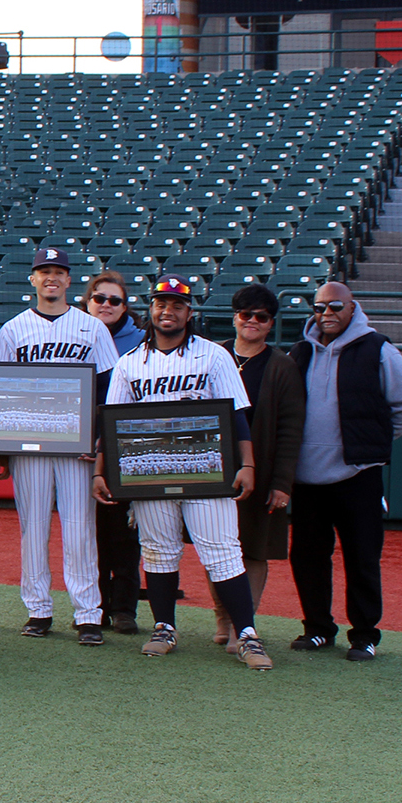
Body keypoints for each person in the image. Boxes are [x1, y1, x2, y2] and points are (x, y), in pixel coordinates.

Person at [94, 275, 272, 670]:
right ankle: (164, 627)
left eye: (176, 305)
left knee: (223, 551)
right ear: (151, 310)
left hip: (207, 469)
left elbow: (238, 415)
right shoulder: (129, 363)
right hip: (150, 470)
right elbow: (113, 424)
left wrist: (247, 464)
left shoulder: (213, 355)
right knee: (158, 553)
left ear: (189, 312)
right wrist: (100, 473)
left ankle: (246, 633)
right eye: (161, 304)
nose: (167, 311)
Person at [0, 246, 118, 644]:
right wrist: (1, 446)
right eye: (44, 271)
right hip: (29, 443)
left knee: (80, 528)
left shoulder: (91, 327)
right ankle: (38, 609)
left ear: (68, 280)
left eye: (58, 271)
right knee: (33, 527)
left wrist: (97, 440)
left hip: (76, 445)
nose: (51, 277)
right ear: (33, 279)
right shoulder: (13, 329)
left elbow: (108, 389)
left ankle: (88, 613)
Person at [287, 281, 402, 662]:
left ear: (353, 308)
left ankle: (365, 635)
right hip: (307, 479)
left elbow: (401, 408)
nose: (327, 314)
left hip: (358, 475)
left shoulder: (379, 349)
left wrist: (370, 445)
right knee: (307, 557)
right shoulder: (300, 351)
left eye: (335, 306)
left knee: (362, 557)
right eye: (319, 307)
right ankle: (318, 628)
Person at [214, 283, 302, 645]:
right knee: (216, 547)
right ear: (235, 318)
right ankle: (222, 621)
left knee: (253, 549)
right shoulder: (215, 355)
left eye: (261, 317)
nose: (251, 321)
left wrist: (282, 483)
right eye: (245, 314)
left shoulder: (282, 366)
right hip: (213, 468)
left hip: (261, 472)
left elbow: (291, 429)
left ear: (270, 324)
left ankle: (242, 625)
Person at [84, 271, 146, 633]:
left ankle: (123, 607)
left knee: (124, 533)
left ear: (126, 307)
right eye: (99, 298)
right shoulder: (73, 334)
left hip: (125, 451)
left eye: (114, 300)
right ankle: (95, 606)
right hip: (80, 452)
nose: (106, 305)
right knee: (88, 534)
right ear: (88, 301)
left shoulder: (140, 342)